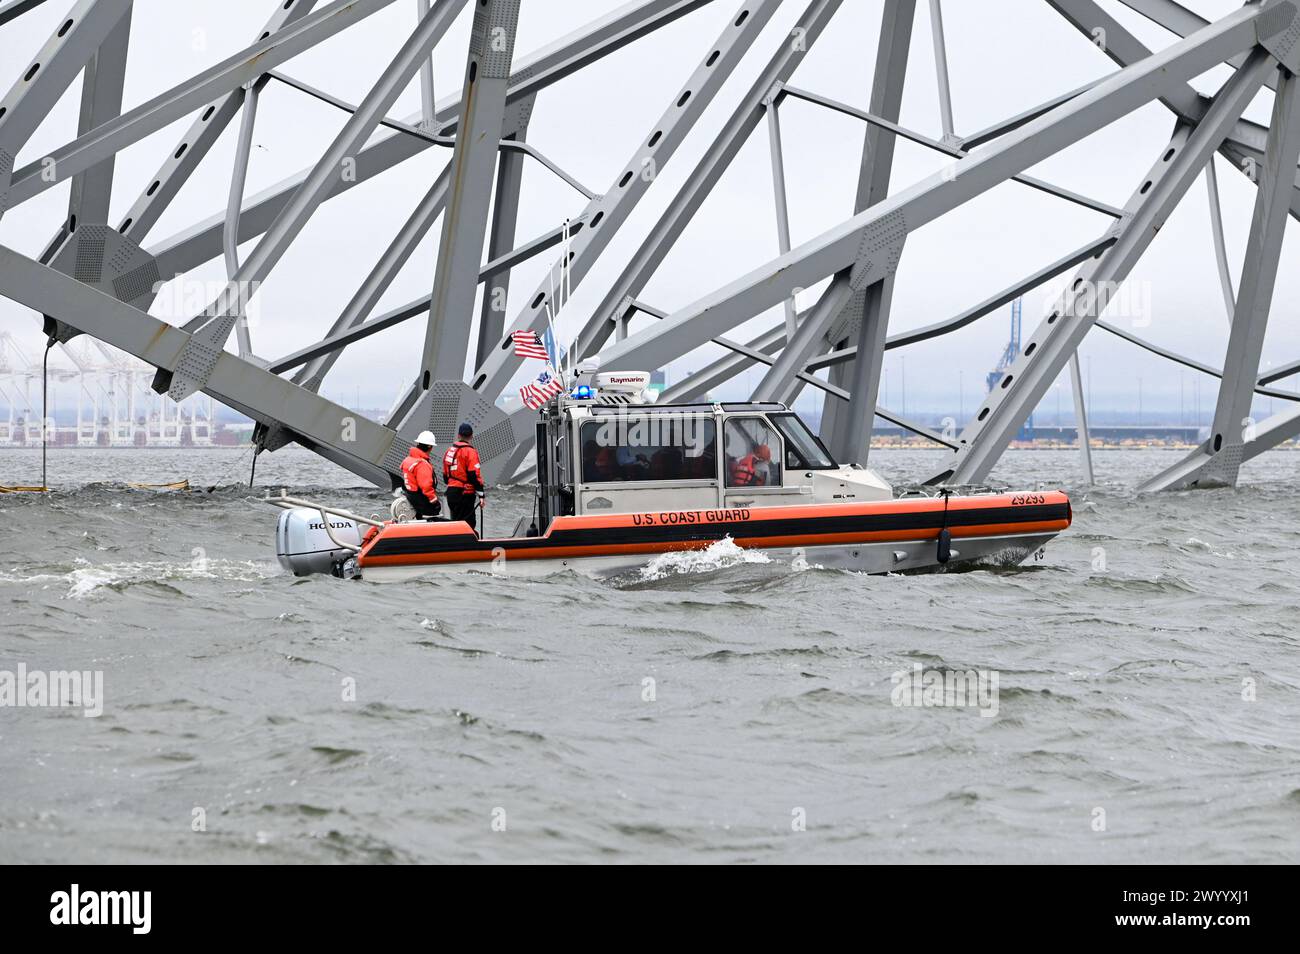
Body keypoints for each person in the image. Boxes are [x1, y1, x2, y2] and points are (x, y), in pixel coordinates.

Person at [443, 422, 485, 533]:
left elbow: (445, 476)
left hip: (451, 492)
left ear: (458, 435)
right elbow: (473, 475)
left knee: (455, 523)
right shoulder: (471, 452)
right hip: (464, 494)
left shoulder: (449, 451)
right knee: (468, 525)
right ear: (471, 436)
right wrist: (481, 495)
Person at [400, 430, 442, 519]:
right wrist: (434, 501)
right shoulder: (422, 463)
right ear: (430, 447)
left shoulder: (408, 460)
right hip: (423, 501)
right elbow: (426, 486)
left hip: (413, 498)